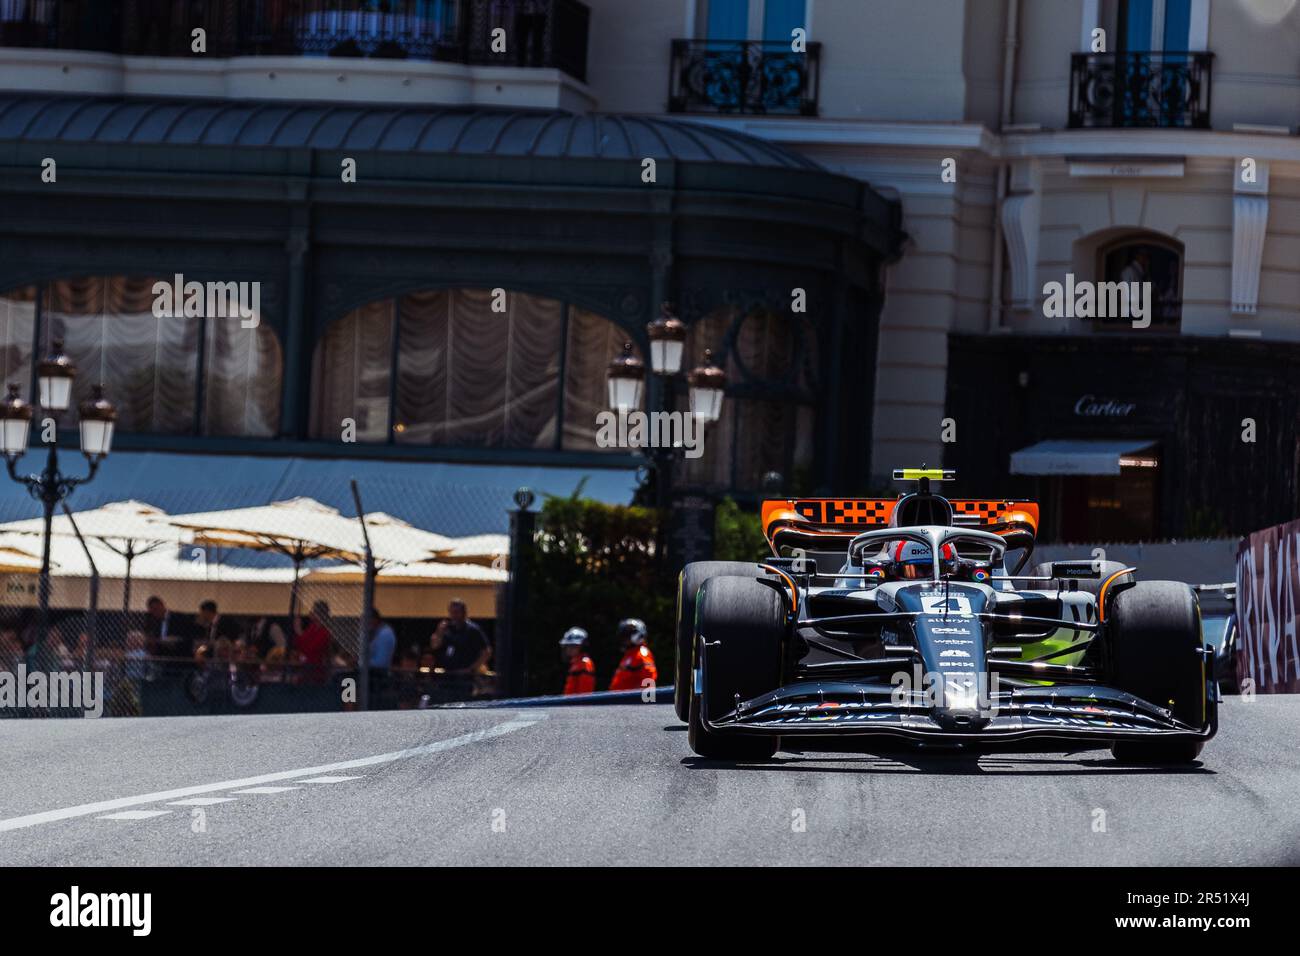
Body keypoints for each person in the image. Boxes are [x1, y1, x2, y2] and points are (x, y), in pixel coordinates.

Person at [431, 599, 490, 676]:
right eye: (451, 612)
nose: (453, 616)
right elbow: (434, 646)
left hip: (464, 675)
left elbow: (487, 652)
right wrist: (439, 632)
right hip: (447, 673)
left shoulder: (473, 630)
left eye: (456, 612)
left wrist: (471, 669)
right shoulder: (447, 628)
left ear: (464, 613)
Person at [609, 618, 657, 692]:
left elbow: (649, 680)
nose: (624, 640)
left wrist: (644, 700)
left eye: (626, 636)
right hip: (621, 700)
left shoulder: (641, 654)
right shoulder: (630, 655)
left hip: (630, 701)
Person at [293, 600, 332, 682]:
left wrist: (299, 631)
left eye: (313, 610)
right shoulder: (312, 627)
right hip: (304, 668)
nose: (310, 612)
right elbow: (299, 645)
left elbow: (310, 649)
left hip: (315, 671)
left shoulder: (324, 632)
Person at [559, 627, 595, 696]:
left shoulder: (585, 663)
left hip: (577, 705)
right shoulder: (576, 663)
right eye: (568, 646)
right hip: (570, 704)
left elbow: (585, 694)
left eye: (574, 646)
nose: (569, 649)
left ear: (582, 647)